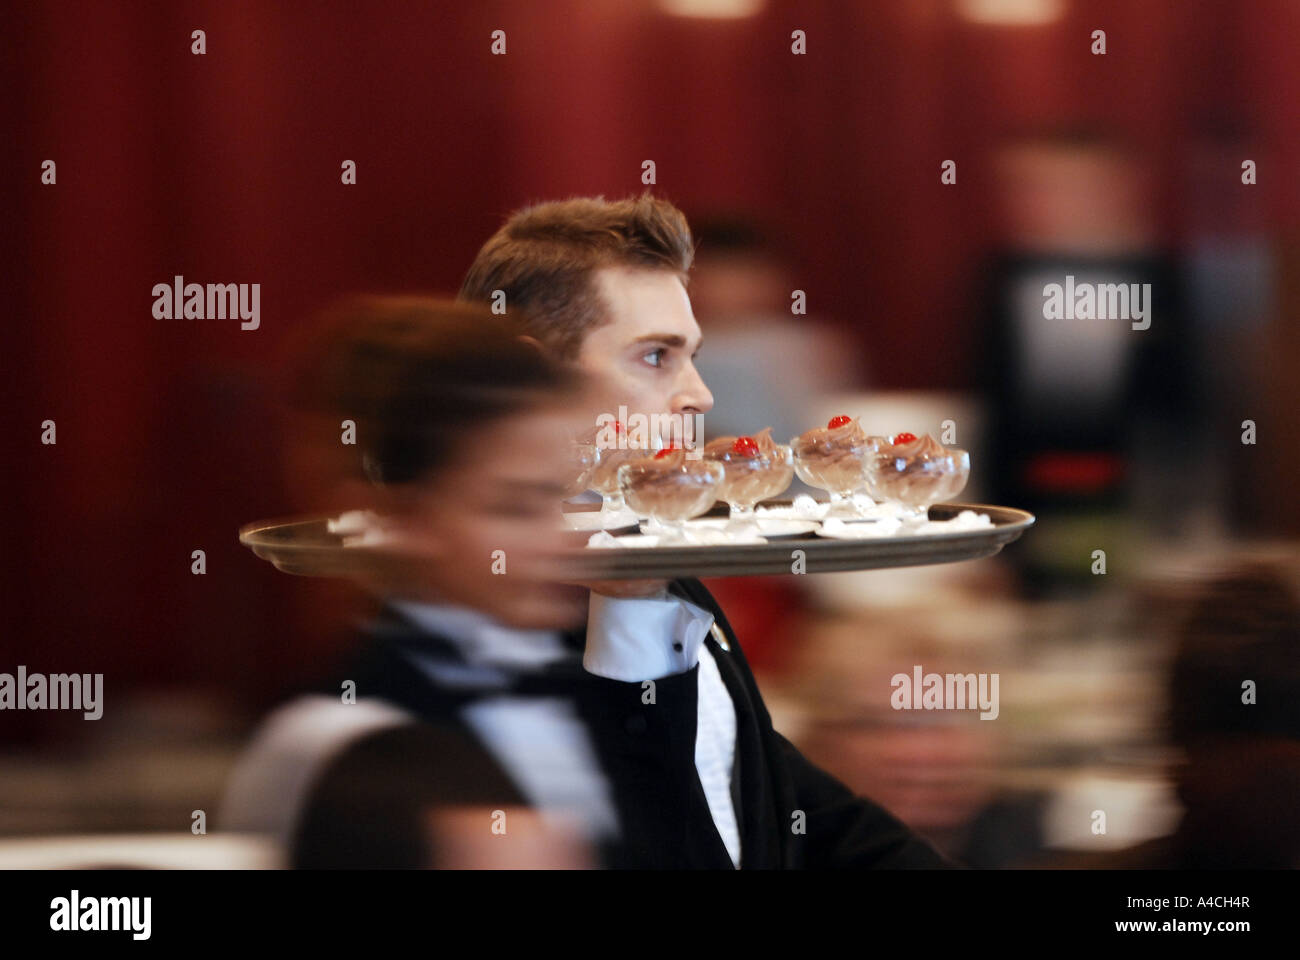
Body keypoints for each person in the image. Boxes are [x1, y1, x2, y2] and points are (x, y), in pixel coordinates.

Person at [456, 193, 951, 868]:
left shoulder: (667, 568)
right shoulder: (482, 633)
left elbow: (784, 804)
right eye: (657, 357)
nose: (700, 395)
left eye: (691, 355)